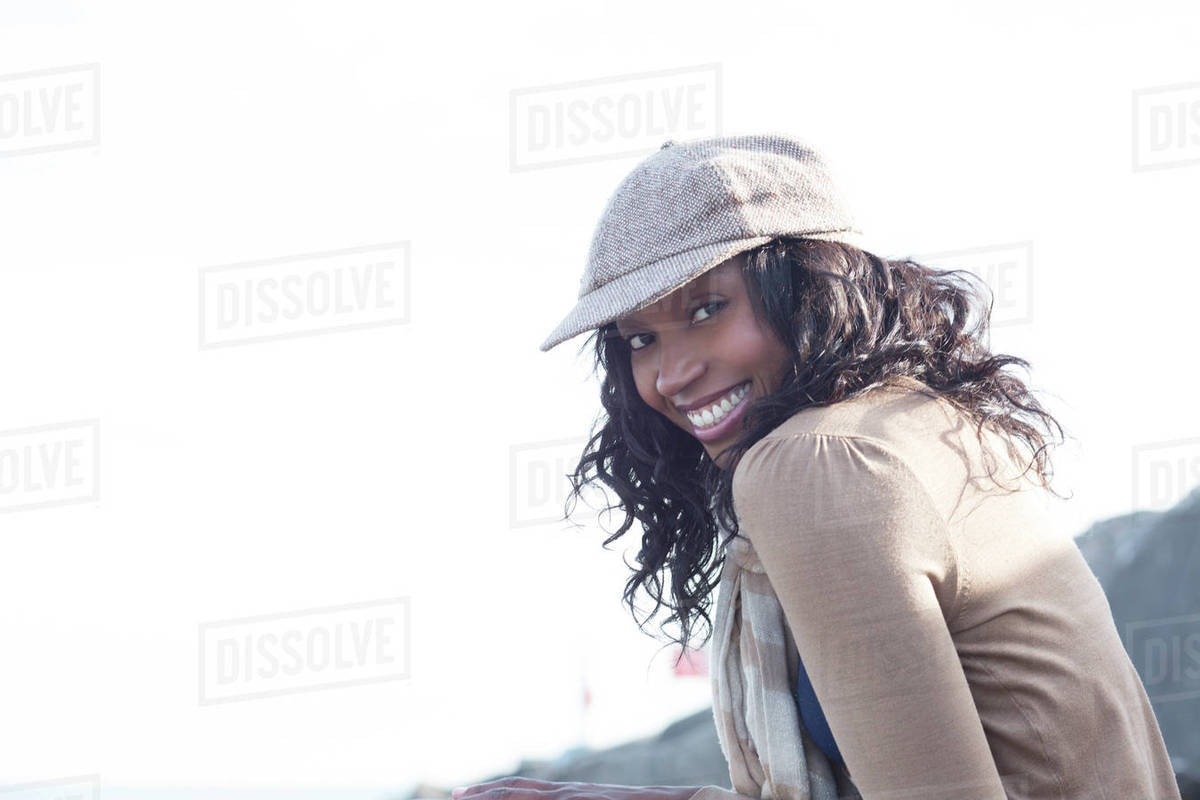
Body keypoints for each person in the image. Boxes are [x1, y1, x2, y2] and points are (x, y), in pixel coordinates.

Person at [456, 134, 1182, 799]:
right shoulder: (912, 424)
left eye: (708, 308)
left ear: (807, 288)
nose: (670, 375)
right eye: (640, 339)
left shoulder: (811, 462)